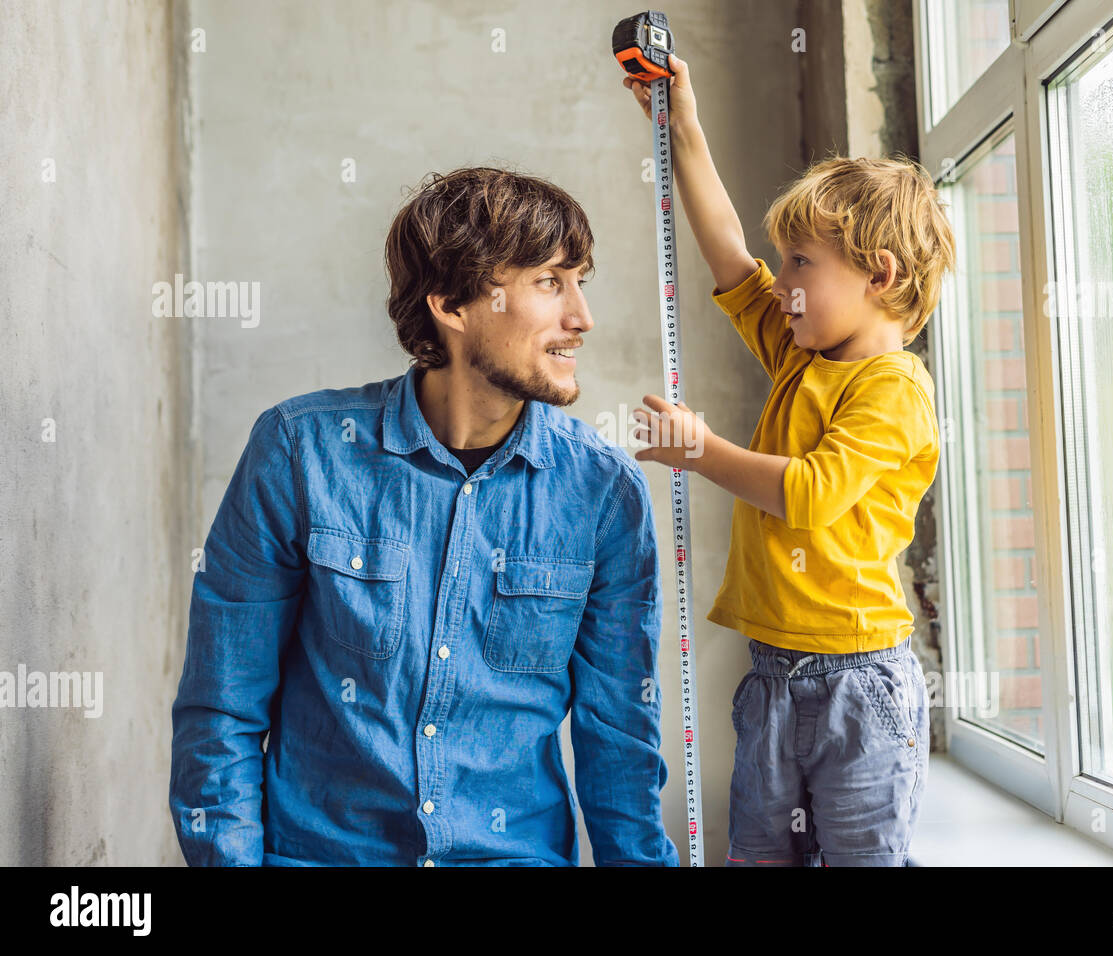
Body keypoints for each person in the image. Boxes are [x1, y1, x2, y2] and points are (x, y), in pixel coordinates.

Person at [169, 166, 679, 867]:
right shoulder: (300, 452)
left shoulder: (603, 493)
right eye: (549, 282)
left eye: (580, 280)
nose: (581, 317)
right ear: (453, 303)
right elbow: (222, 709)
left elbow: (620, 737)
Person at [623, 53, 955, 866]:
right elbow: (732, 258)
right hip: (772, 677)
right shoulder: (800, 352)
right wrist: (681, 125)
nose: (781, 285)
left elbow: (810, 493)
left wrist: (699, 452)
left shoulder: (893, 390)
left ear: (881, 274)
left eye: (801, 264)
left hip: (860, 686)